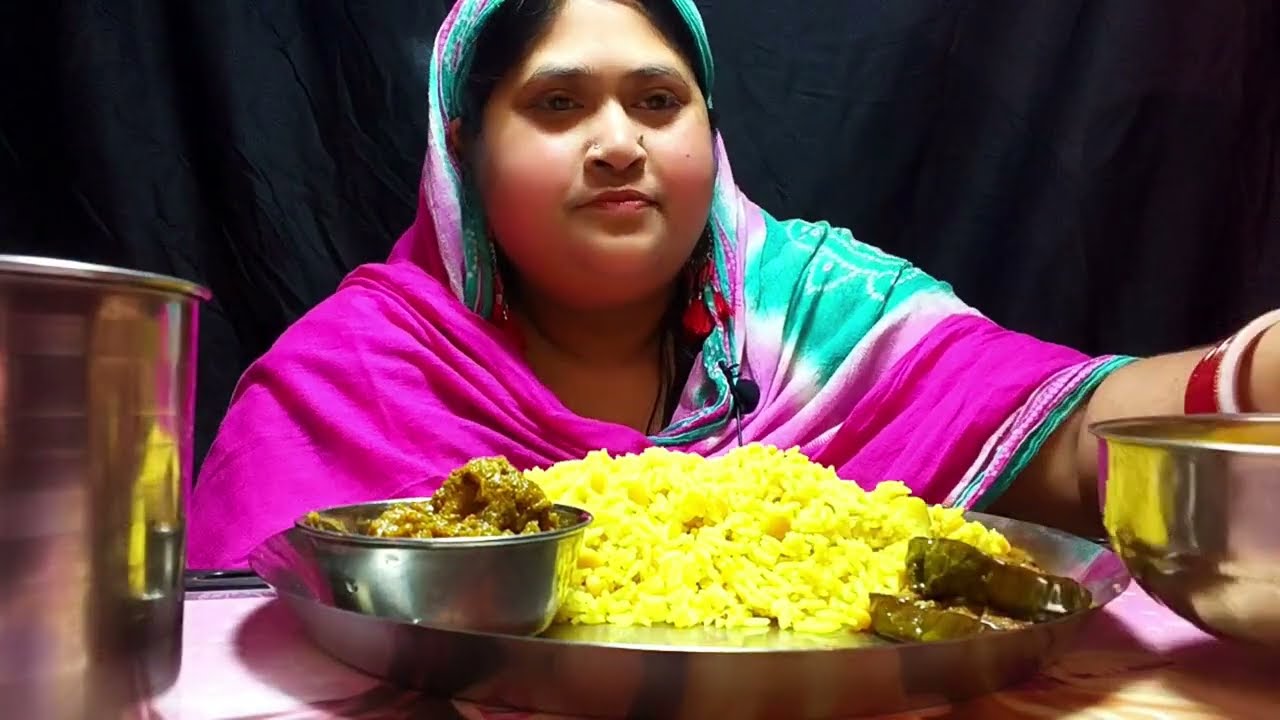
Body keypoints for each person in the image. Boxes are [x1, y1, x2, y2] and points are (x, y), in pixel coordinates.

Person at [187, 0, 1280, 570]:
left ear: (711, 137)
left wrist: (1251, 371)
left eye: (657, 103)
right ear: (462, 151)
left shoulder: (821, 310)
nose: (618, 143)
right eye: (558, 106)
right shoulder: (358, 372)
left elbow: (1072, 425)